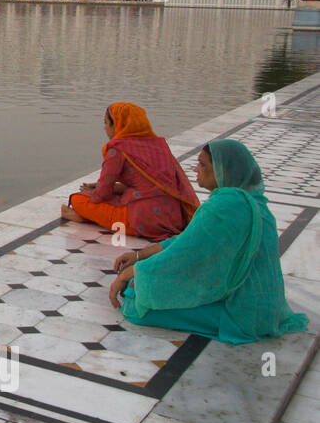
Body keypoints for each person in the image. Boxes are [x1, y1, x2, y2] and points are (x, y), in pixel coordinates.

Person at [110, 140, 307, 344]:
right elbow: (189, 240)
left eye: (203, 165)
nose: (196, 169)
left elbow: (183, 255)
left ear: (223, 171)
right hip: (268, 308)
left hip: (243, 314)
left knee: (136, 305)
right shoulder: (255, 202)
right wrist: (139, 256)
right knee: (144, 285)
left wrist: (135, 272)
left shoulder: (225, 206)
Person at [62, 102, 199, 240]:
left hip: (144, 220)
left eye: (106, 123)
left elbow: (101, 195)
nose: (105, 128)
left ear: (117, 125)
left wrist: (94, 192)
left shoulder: (118, 149)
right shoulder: (159, 145)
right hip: (174, 217)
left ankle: (84, 218)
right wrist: (106, 187)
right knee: (110, 198)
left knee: (78, 199)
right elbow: (151, 185)